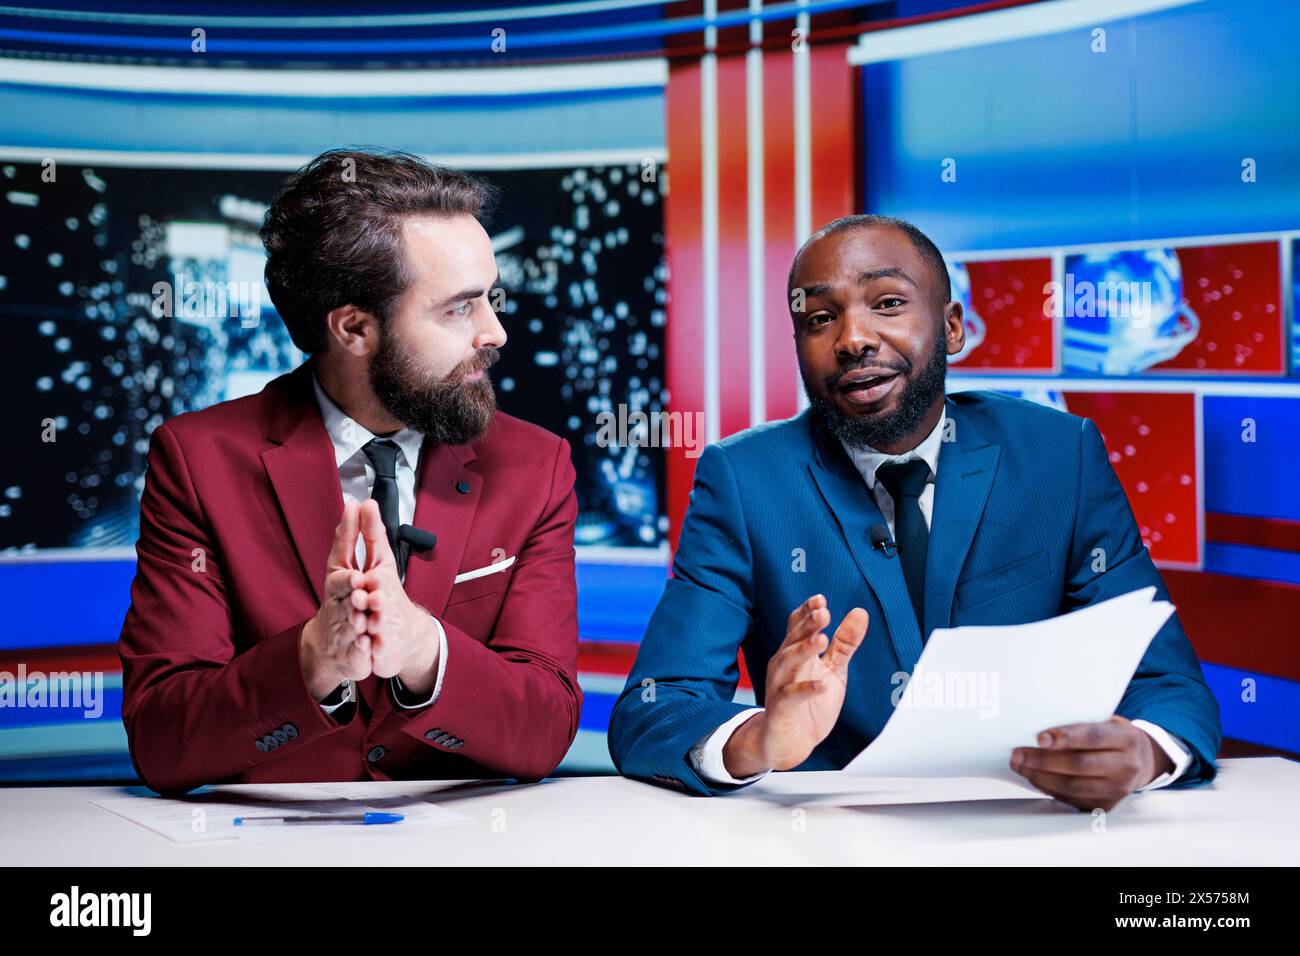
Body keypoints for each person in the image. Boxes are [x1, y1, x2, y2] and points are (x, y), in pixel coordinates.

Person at [608, 214, 1220, 810]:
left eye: (889, 303)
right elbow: (652, 709)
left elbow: (1168, 684)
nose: (852, 339)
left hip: (1027, 832)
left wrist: (1144, 752)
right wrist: (759, 738)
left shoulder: (1059, 456)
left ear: (952, 326)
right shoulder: (744, 479)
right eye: (821, 318)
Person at [119, 149, 581, 794]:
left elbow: (544, 732)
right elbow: (163, 743)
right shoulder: (197, 460)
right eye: (459, 307)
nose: (495, 331)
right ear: (355, 329)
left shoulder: (536, 466)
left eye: (490, 299)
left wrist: (424, 651)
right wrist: (312, 658)